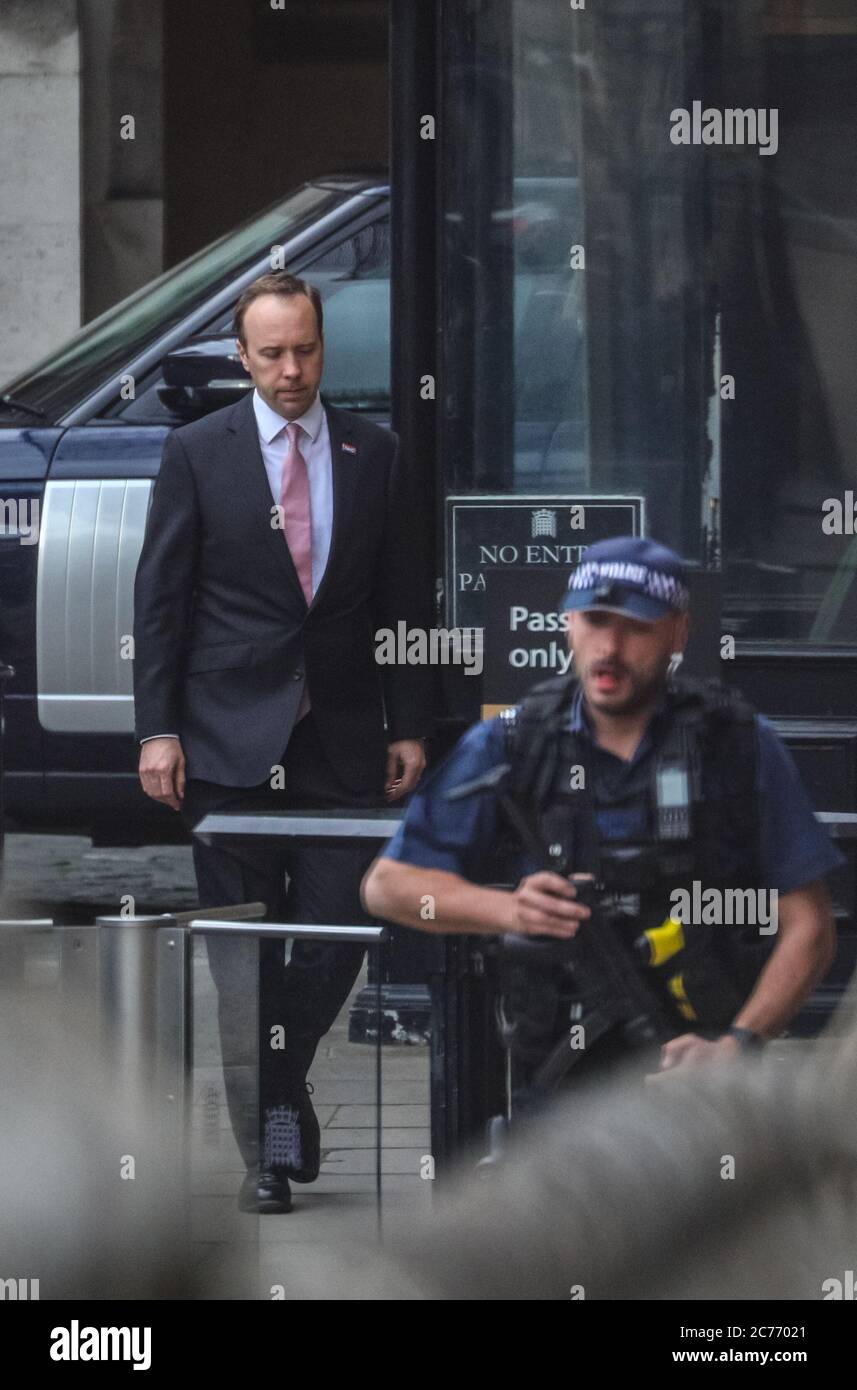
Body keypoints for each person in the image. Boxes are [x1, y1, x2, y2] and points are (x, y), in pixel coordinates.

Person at [133, 271, 434, 1213]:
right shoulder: (195, 453)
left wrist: (413, 723)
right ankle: (264, 1154)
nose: (292, 368)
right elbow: (160, 601)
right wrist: (158, 730)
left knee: (342, 925)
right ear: (242, 356)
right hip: (225, 740)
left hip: (341, 738)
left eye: (305, 349)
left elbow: (403, 598)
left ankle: (283, 1077)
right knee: (240, 957)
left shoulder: (373, 452)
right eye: (272, 354)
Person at [363, 536, 843, 1115]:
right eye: (594, 621)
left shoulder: (736, 743)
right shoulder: (514, 741)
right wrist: (511, 910)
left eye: (636, 627)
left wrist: (739, 1045)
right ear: (566, 623)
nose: (609, 648)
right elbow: (387, 886)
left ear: (678, 632)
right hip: (558, 1088)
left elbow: (810, 927)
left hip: (703, 1086)